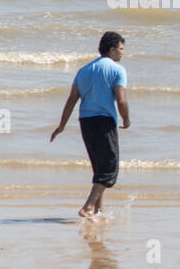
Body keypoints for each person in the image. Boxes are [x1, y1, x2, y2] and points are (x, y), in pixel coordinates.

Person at [50, 32, 130, 218]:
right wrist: (126, 119)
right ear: (111, 49)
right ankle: (87, 207)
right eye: (121, 49)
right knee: (109, 168)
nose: (122, 53)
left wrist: (62, 125)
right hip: (104, 120)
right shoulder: (118, 70)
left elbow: (71, 100)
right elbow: (121, 99)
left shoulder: (84, 70)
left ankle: (98, 209)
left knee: (98, 166)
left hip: (85, 121)